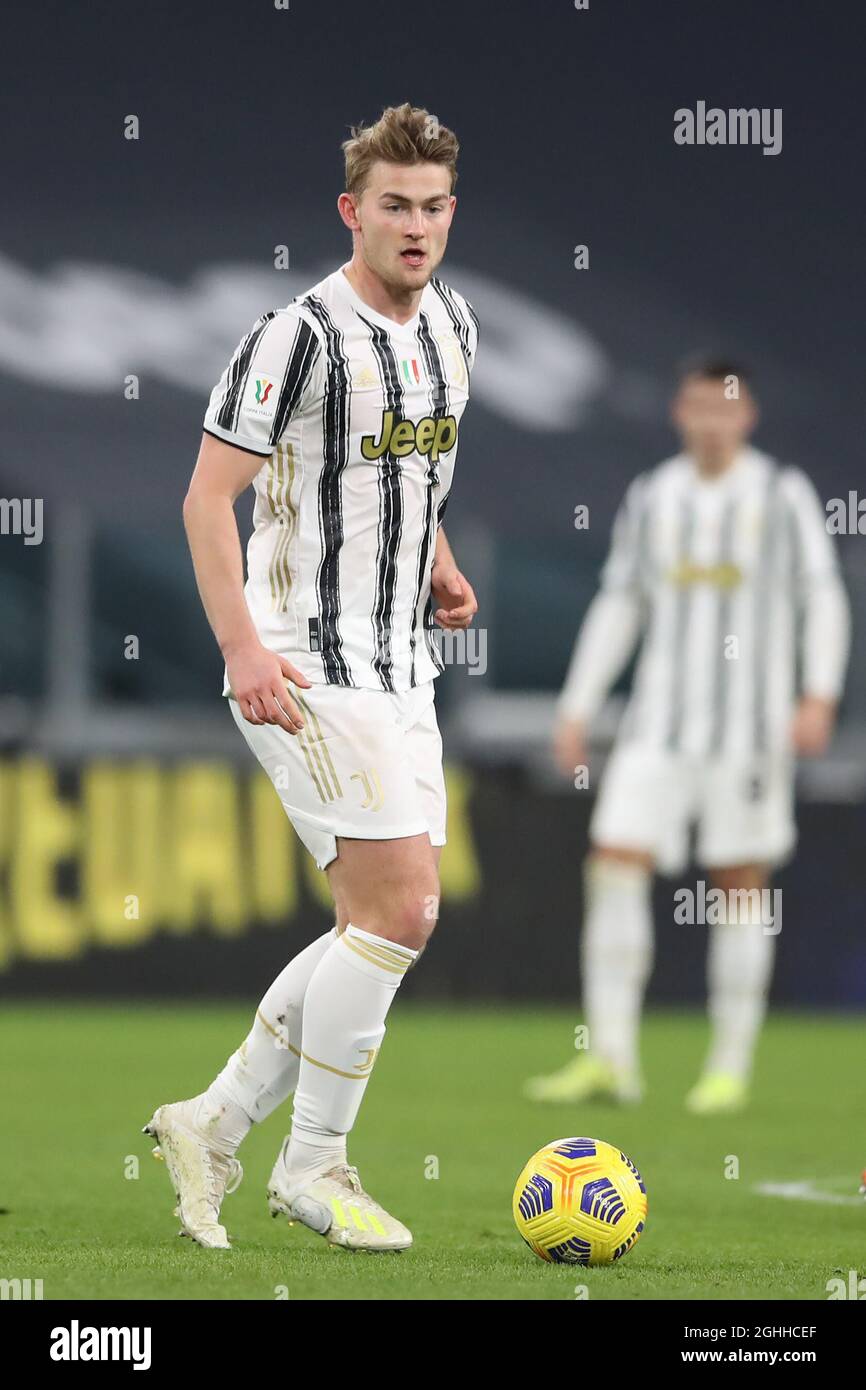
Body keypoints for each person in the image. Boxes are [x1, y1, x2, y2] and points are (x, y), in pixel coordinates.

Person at [144, 103, 479, 1250]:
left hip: (403, 666)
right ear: (352, 211)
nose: (416, 225)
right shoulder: (296, 336)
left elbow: (408, 476)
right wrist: (242, 646)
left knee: (374, 923)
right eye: (394, 204)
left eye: (434, 205)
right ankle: (312, 1167)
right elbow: (205, 498)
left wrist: (435, 557)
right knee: (401, 909)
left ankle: (213, 1118)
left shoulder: (456, 329)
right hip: (303, 660)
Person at [525, 357, 849, 1113]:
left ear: (748, 415)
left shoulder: (780, 493)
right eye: (699, 406)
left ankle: (729, 1065)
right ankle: (610, 1058)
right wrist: (577, 705)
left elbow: (822, 595)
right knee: (613, 861)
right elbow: (620, 604)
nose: (711, 420)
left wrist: (819, 692)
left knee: (739, 881)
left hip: (750, 729)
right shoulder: (654, 495)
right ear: (680, 411)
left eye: (725, 407)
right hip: (656, 727)